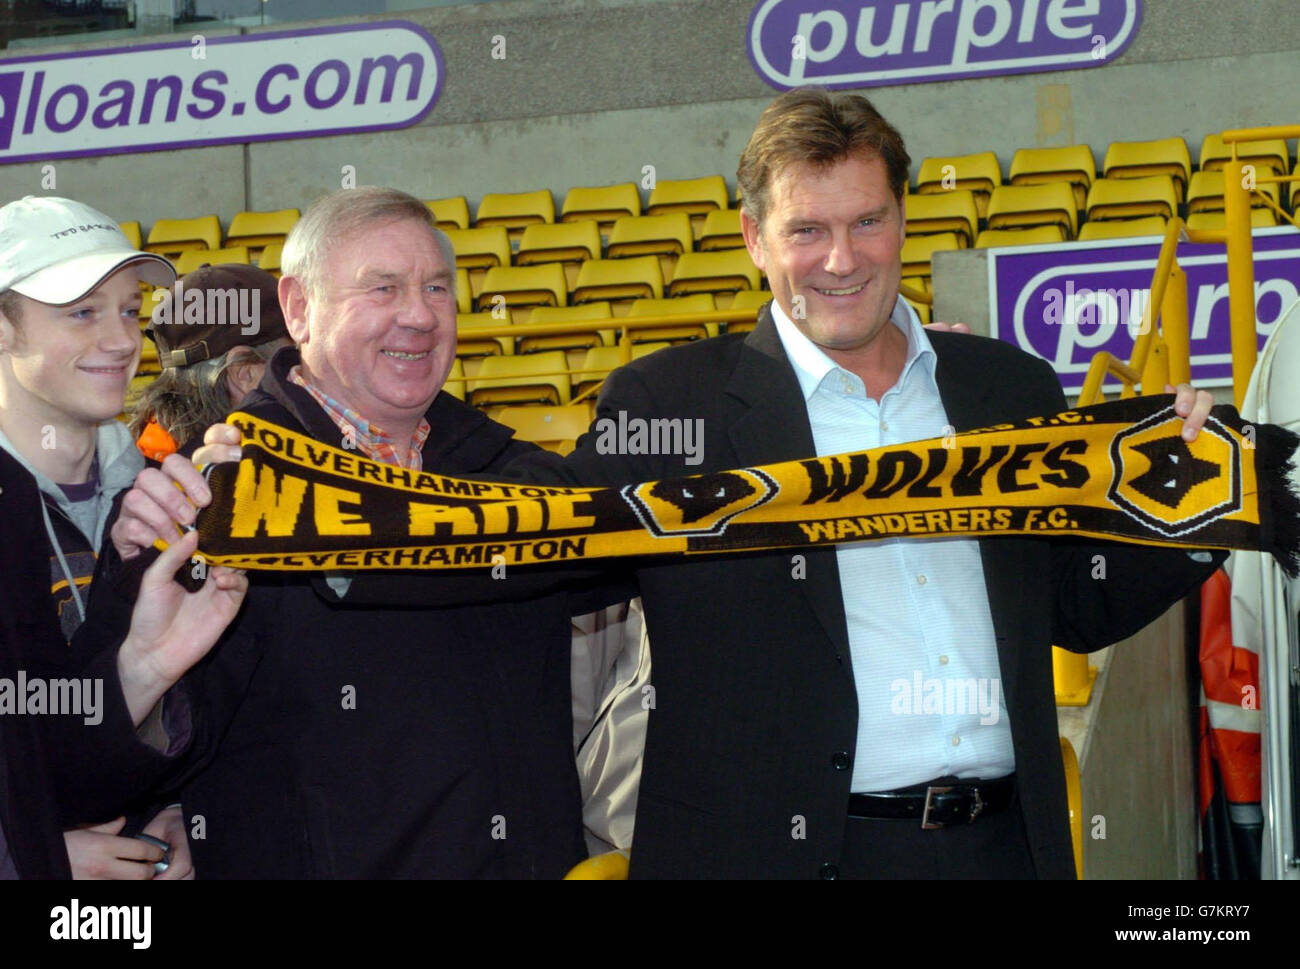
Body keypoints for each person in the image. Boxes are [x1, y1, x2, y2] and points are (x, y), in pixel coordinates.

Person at [122, 93, 1224, 879]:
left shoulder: (1006, 384)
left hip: (1002, 848)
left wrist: (1200, 518)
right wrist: (310, 510)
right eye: (805, 229)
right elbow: (522, 547)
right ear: (753, 240)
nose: (840, 257)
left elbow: (1070, 600)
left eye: (866, 221)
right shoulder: (671, 407)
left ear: (902, 220)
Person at [96, 187, 632, 878]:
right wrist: (160, 814)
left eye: (436, 287)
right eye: (382, 288)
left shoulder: (520, 481)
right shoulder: (211, 500)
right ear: (298, 308)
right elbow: (124, 733)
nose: (418, 314)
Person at [0, 195, 247, 878]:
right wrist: (32, 856)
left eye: (129, 310)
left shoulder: (168, 496)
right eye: (82, 311)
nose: (120, 339)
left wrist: (190, 811)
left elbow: (221, 710)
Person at [130, 263, 293, 460]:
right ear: (245, 374)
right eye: (291, 359)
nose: (302, 375)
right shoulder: (232, 478)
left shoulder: (141, 462)